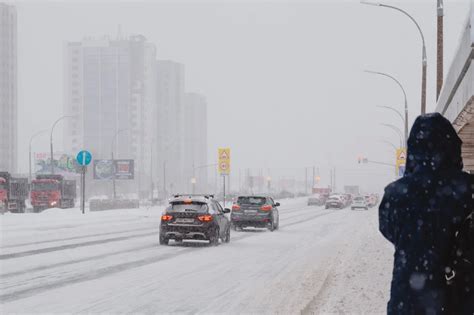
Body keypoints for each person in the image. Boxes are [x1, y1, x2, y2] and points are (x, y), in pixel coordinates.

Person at [379, 113, 473, 314]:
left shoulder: (395, 194)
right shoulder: (467, 189)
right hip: (459, 299)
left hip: (407, 301)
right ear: (452, 147)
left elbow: (388, 229)